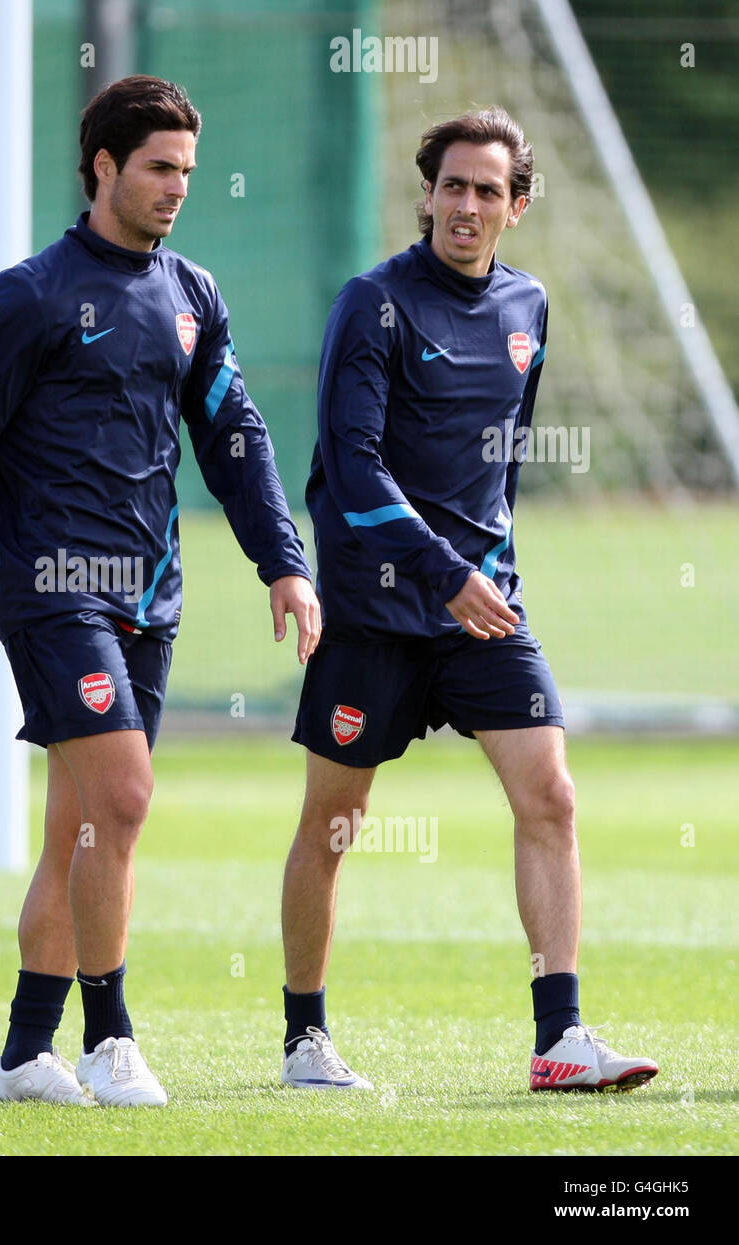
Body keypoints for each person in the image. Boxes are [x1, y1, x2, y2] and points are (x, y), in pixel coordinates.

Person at [0, 75, 319, 1107]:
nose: (177, 187)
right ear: (102, 166)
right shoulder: (32, 294)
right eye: (157, 168)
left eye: (186, 169)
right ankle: (110, 1038)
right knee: (127, 797)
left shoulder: (192, 295)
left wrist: (283, 560)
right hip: (54, 590)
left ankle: (22, 1053)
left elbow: (234, 437)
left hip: (151, 593)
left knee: (85, 827)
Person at [278, 107, 658, 1093]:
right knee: (335, 818)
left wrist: (483, 572)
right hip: (378, 608)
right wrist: (444, 571)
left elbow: (504, 465)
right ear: (426, 194)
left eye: (488, 190)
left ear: (515, 207)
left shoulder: (529, 307)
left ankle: (559, 1041)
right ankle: (304, 1038)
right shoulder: (372, 305)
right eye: (452, 185)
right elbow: (349, 469)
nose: (466, 204)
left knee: (551, 796)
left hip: (485, 607)